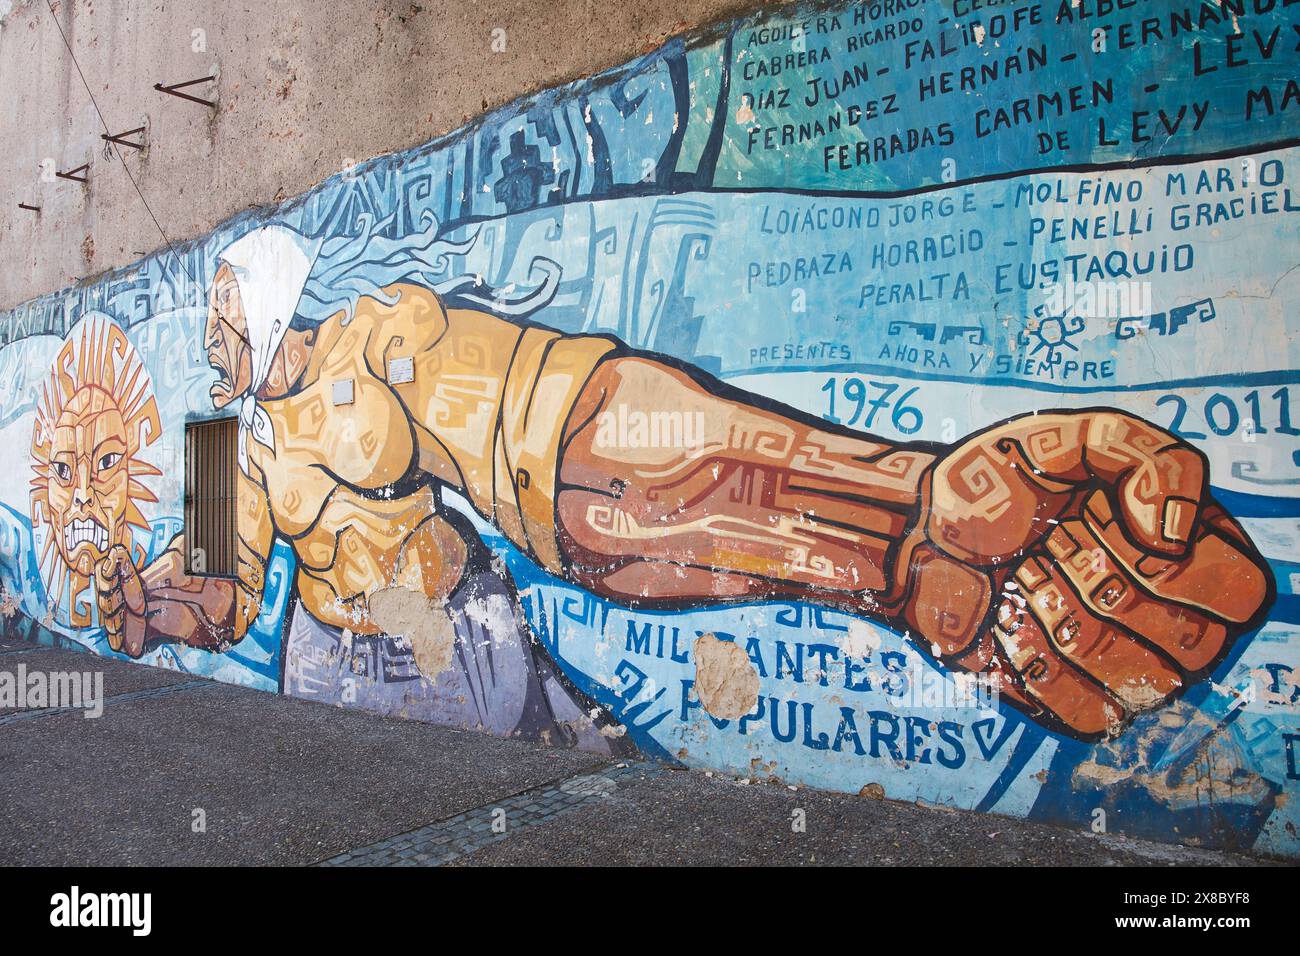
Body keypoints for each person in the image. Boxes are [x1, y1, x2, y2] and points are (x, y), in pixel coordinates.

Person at [94, 224, 1273, 742]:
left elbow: (580, 456)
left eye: (218, 311)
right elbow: (222, 589)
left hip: (452, 628)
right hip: (326, 652)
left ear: (272, 305)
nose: (207, 337)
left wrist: (895, 525)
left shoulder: (385, 340)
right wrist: (150, 607)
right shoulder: (216, 439)